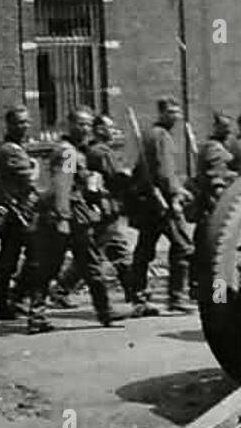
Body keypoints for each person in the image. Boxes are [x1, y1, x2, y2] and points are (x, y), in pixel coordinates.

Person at [26, 107, 131, 333]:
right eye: (80, 124)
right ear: (69, 125)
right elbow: (62, 186)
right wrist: (63, 218)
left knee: (91, 265)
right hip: (66, 218)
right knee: (51, 268)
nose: (84, 129)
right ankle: (36, 316)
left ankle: (105, 312)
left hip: (78, 217)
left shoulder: (77, 152)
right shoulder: (68, 153)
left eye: (87, 125)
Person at [57, 114, 152, 313]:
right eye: (81, 124)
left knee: (97, 256)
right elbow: (113, 178)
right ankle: (133, 299)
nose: (115, 130)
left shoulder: (87, 151)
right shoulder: (90, 152)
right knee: (105, 256)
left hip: (96, 210)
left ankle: (61, 290)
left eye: (87, 125)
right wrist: (138, 175)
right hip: (98, 209)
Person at [129, 97, 195, 314]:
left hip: (150, 200)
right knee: (183, 246)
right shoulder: (161, 137)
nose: (175, 117)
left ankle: (137, 295)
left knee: (144, 249)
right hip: (162, 202)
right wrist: (176, 193)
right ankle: (177, 297)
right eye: (170, 113)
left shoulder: (152, 135)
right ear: (161, 113)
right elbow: (164, 171)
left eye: (177, 113)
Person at [0, 106, 39, 320]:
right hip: (16, 212)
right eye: (19, 122)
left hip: (20, 209)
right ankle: (13, 300)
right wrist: (35, 168)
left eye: (26, 121)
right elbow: (28, 179)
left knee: (12, 258)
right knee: (28, 257)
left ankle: (8, 302)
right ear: (9, 125)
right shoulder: (9, 150)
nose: (24, 126)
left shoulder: (16, 147)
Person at [189, 113, 238, 282]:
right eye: (224, 126)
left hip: (211, 212)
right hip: (213, 211)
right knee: (217, 262)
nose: (228, 130)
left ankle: (208, 298)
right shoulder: (214, 148)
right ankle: (218, 299)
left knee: (208, 260)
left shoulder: (219, 146)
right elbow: (217, 179)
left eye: (229, 126)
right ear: (216, 127)